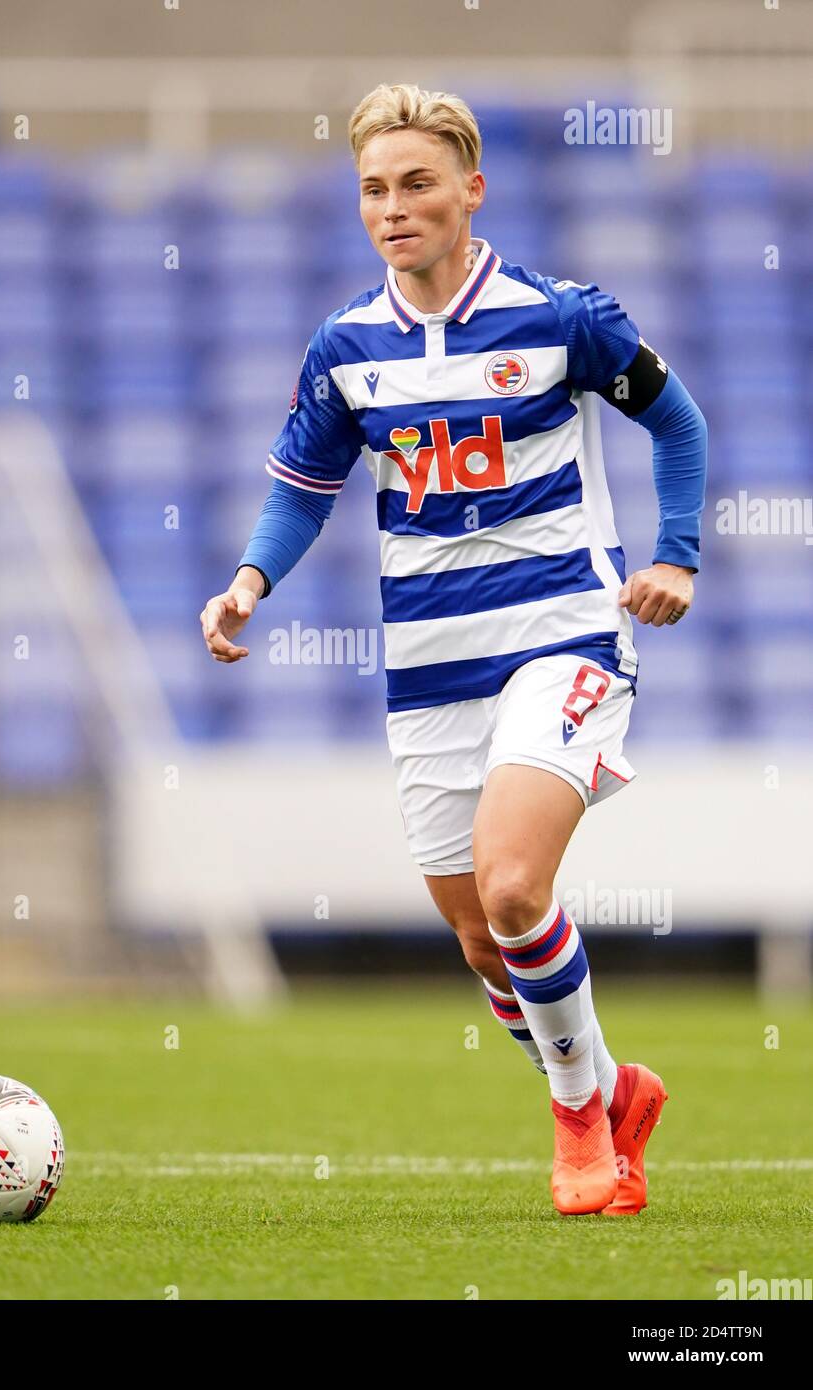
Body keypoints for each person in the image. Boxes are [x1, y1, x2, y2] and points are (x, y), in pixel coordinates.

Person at [199, 83, 707, 1216]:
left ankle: (578, 1131)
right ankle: (611, 1088)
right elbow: (299, 490)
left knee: (515, 888)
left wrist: (672, 556)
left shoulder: (559, 315)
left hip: (558, 633)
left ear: (471, 192)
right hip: (429, 668)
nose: (394, 206)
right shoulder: (346, 349)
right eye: (374, 188)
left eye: (417, 183)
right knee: (483, 941)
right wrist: (247, 581)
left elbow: (676, 420)